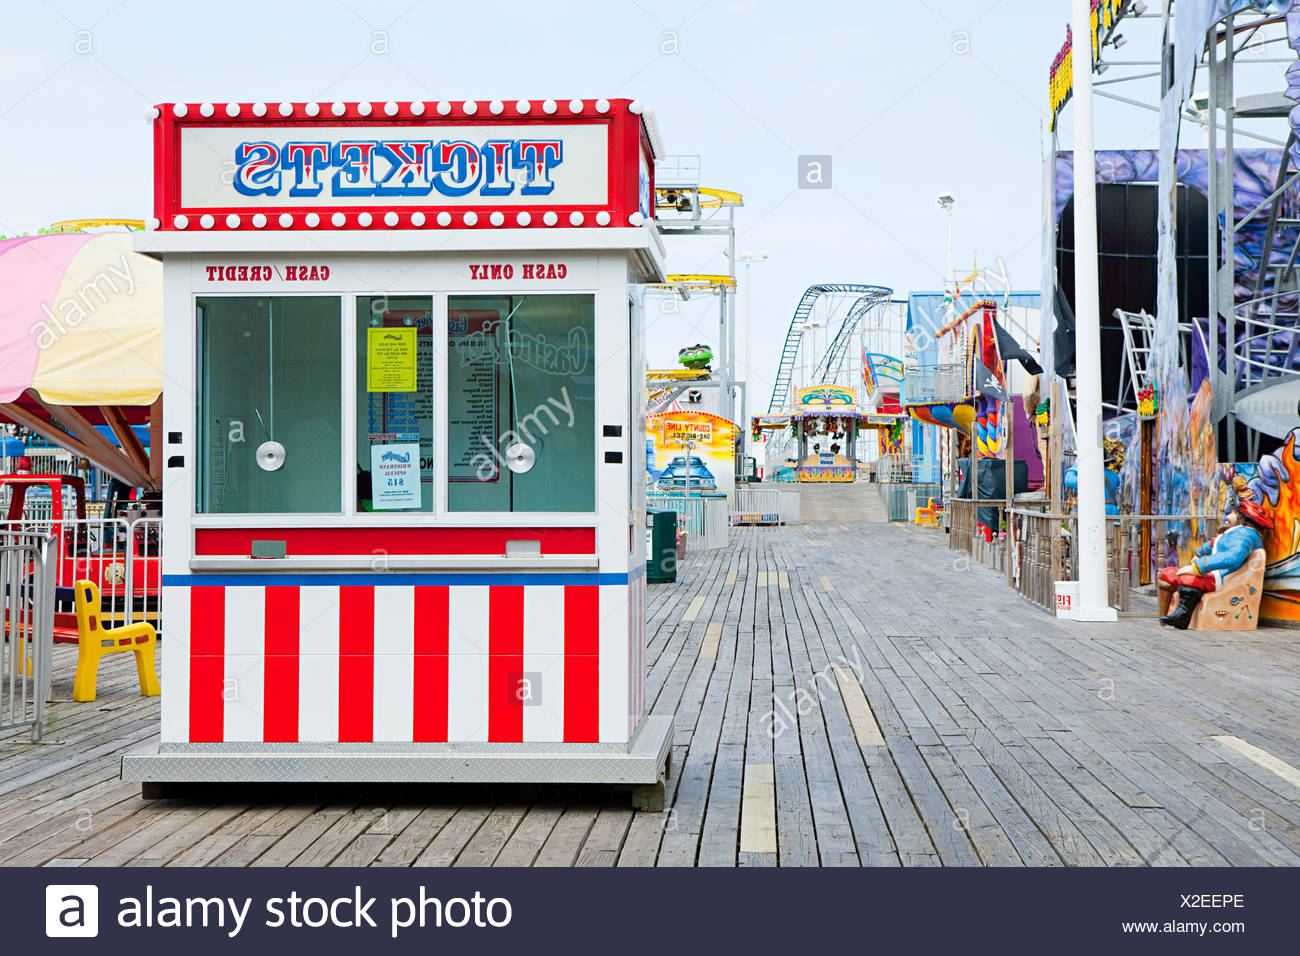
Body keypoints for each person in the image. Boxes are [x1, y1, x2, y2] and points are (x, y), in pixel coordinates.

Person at [1158, 500, 1273, 629]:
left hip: (1224, 577)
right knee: (1168, 574)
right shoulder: (1236, 532)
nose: (1228, 517)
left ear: (1243, 519)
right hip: (1215, 573)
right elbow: (1214, 544)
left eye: (1233, 514)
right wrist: (1199, 553)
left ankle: (1182, 616)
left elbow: (1232, 556)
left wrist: (1199, 567)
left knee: (1188, 579)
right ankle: (1174, 616)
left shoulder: (1244, 536)